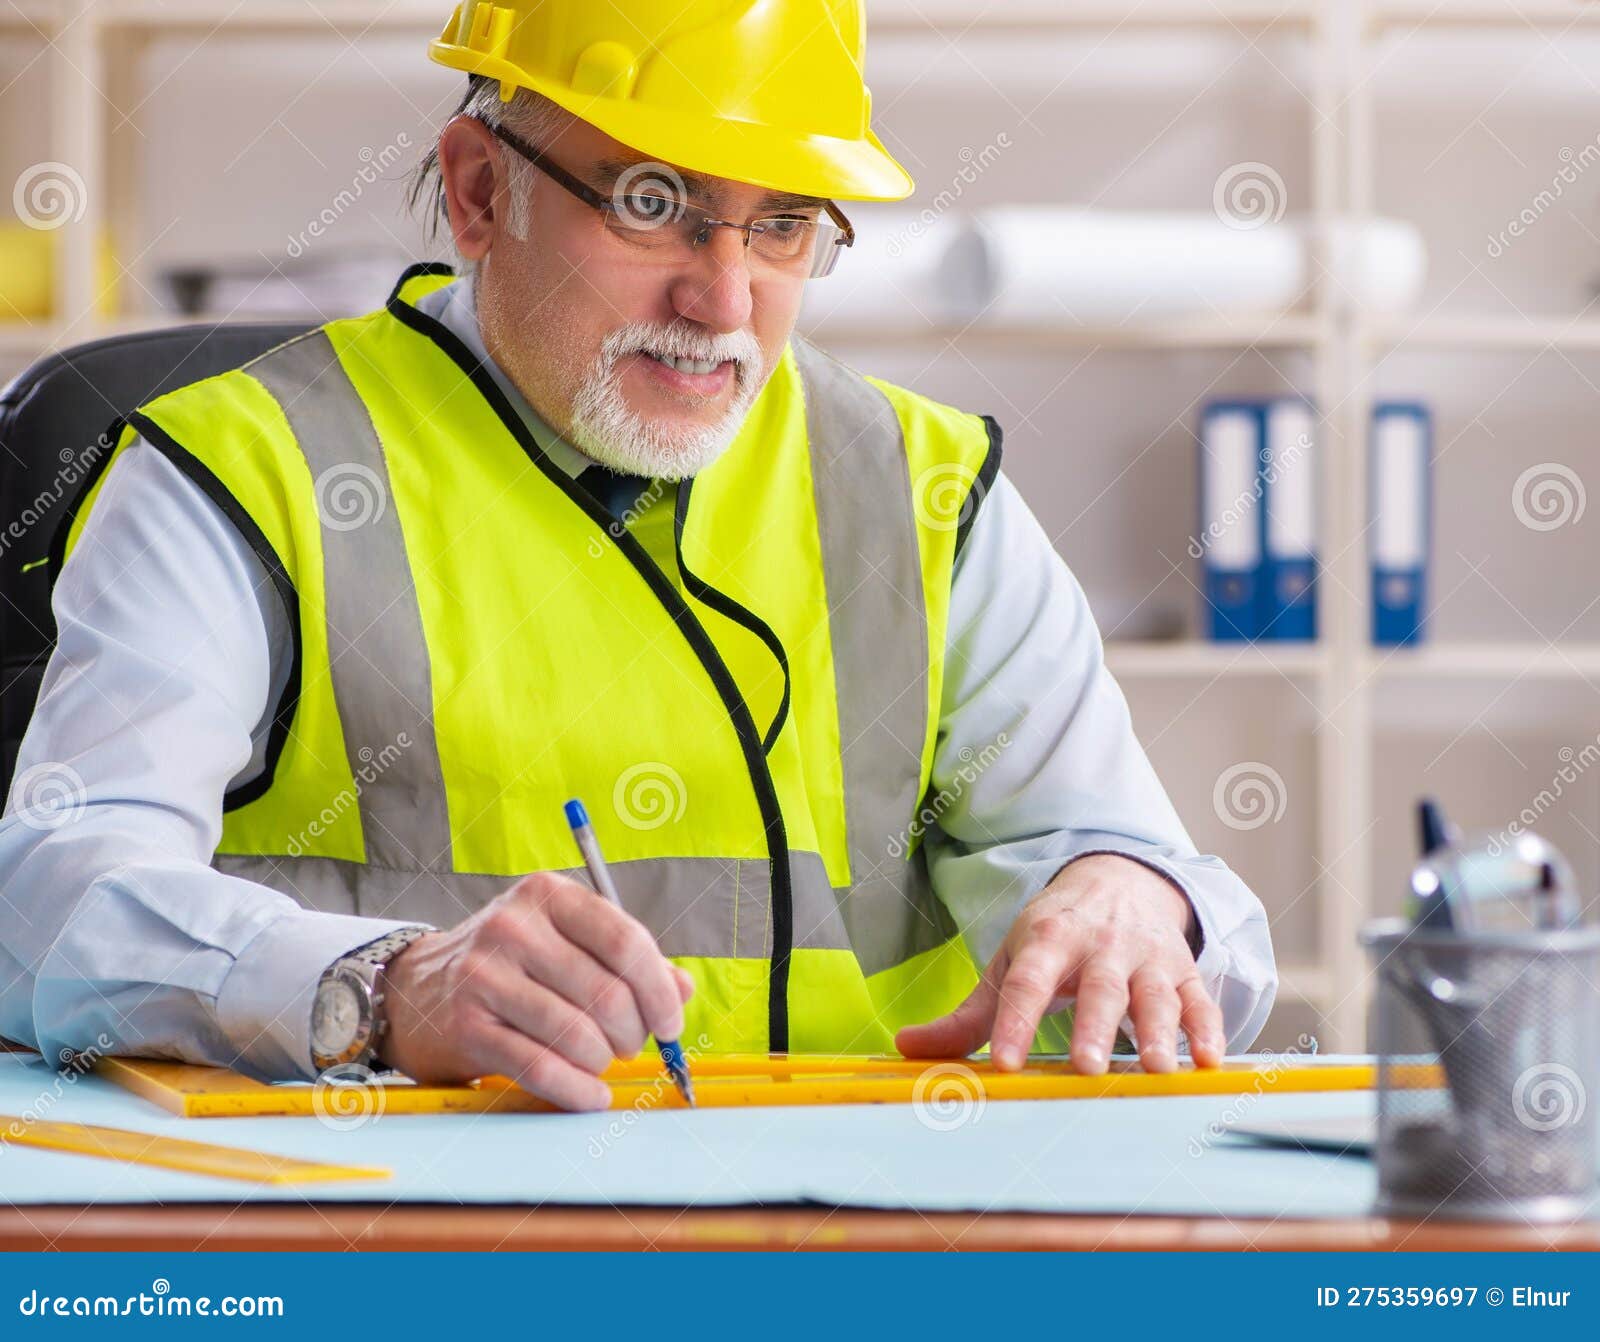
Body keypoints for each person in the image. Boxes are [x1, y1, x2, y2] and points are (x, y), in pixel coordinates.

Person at [0, 0, 1275, 1112]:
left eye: (782, 225)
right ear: (479, 192)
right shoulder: (241, 472)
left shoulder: (924, 488)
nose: (723, 301)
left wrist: (1130, 896)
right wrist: (384, 988)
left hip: (874, 1215)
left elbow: (1170, 905)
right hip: (409, 1221)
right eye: (653, 205)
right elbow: (50, 901)